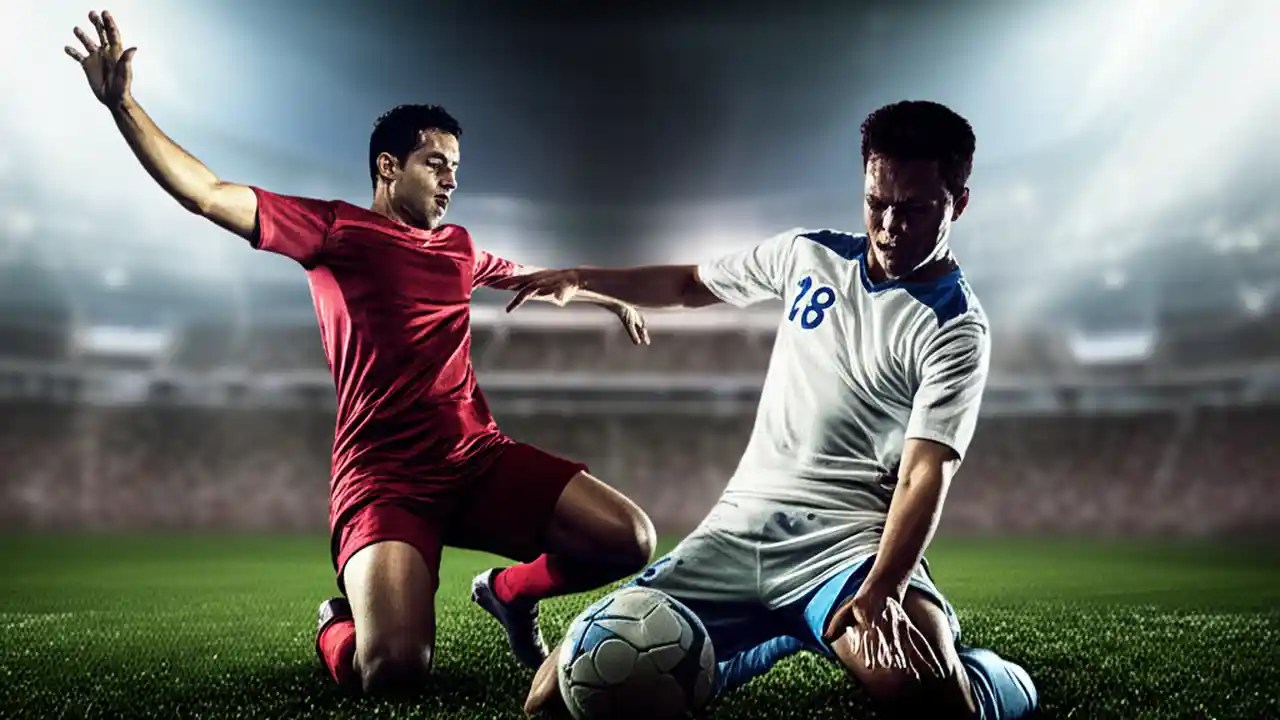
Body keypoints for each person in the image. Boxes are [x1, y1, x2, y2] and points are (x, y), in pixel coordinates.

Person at [64, 10, 657, 696]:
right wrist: (123, 105)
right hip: (384, 479)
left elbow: (535, 278)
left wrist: (604, 298)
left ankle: (510, 590)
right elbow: (208, 194)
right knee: (394, 672)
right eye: (436, 163)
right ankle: (333, 623)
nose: (451, 179)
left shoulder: (459, 247)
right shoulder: (332, 231)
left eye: (456, 167)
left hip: (476, 460)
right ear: (388, 165)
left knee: (629, 539)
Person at [510, 101, 1037, 719]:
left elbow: (927, 472)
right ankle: (772, 632)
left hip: (844, 546)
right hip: (737, 531)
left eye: (914, 209)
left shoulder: (955, 326)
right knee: (553, 697)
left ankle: (1000, 681)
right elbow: (688, 285)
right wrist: (583, 276)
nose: (890, 225)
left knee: (936, 706)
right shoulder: (807, 256)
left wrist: (883, 589)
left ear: (959, 203)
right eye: (877, 203)